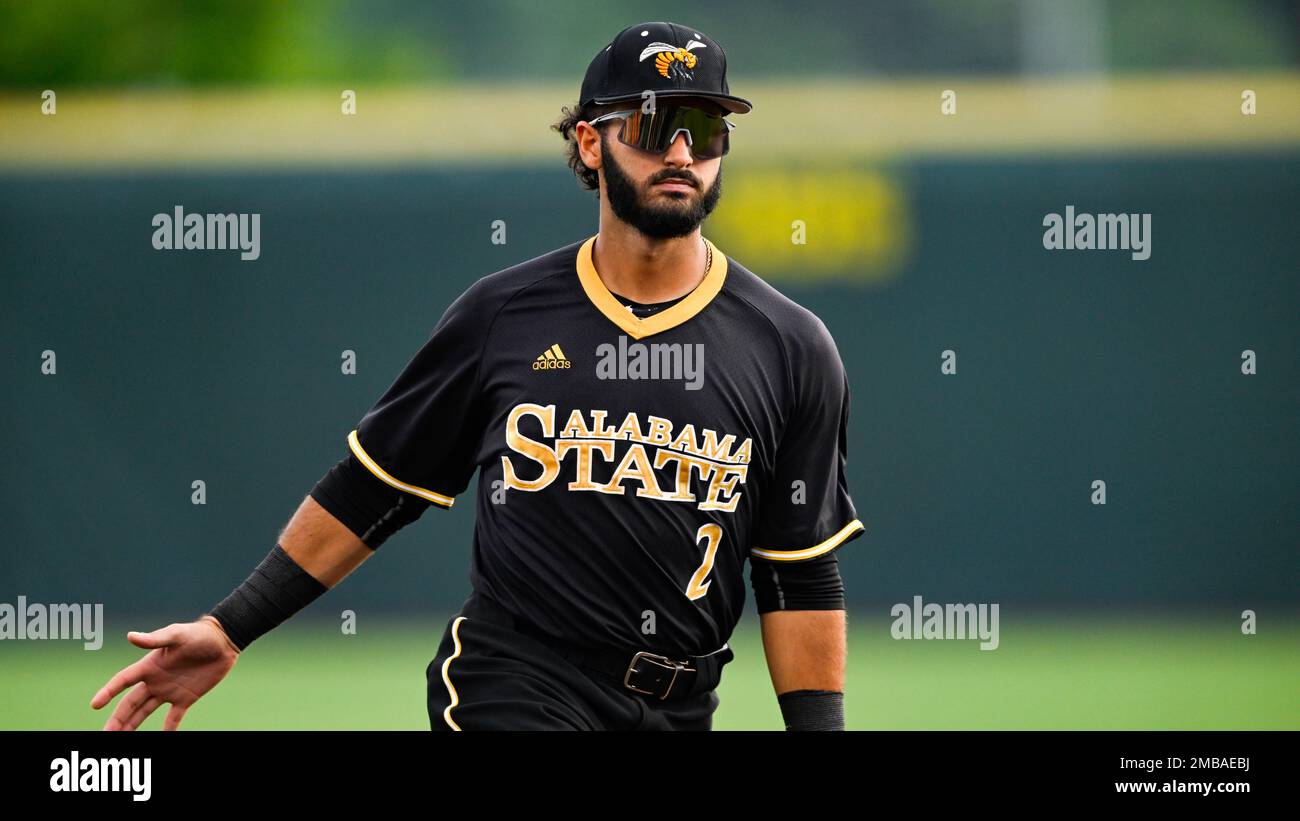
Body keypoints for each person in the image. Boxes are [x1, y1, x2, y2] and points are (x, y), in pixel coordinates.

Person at [91, 20, 863, 732]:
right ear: (592, 144)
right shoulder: (504, 316)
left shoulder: (791, 346)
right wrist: (233, 624)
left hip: (679, 706)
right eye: (659, 126)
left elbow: (796, 575)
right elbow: (375, 486)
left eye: (707, 129)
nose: (683, 153)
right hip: (514, 680)